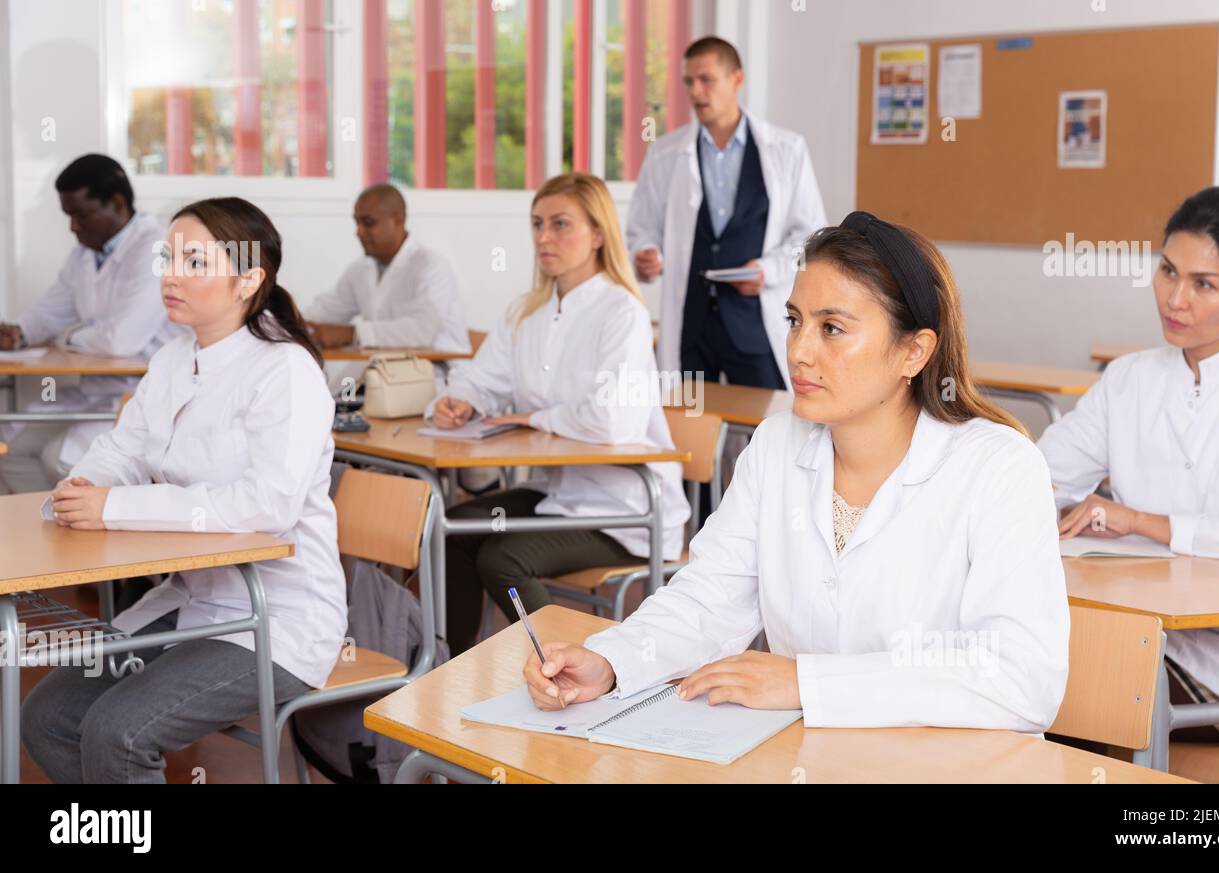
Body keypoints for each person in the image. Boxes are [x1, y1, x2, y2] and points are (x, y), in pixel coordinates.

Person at [522, 212, 1070, 732]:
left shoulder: (998, 466)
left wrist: (809, 684)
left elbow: (1024, 681)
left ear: (914, 352)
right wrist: (611, 662)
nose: (799, 351)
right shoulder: (777, 445)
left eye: (832, 328)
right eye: (794, 321)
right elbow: (709, 599)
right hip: (806, 757)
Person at [21, 197, 347, 783]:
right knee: (48, 715)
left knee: (117, 731)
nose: (171, 275)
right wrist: (84, 487)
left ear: (249, 279)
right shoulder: (174, 360)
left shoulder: (286, 372)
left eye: (194, 261)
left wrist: (115, 508)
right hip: (192, 600)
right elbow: (123, 449)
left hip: (278, 618)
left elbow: (266, 505)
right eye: (168, 257)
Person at [1038, 185, 1219, 743]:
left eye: (1203, 284)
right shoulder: (1132, 377)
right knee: (1042, 659)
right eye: (1167, 271)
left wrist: (1138, 521)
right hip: (1144, 625)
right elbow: (1043, 472)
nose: (1174, 299)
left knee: (1079, 680)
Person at [429, 173, 691, 657]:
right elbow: (485, 378)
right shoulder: (525, 312)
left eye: (560, 225)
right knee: (449, 531)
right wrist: (462, 399)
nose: (543, 238)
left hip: (625, 508)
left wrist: (538, 418)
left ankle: (568, 674)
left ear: (597, 234)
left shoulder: (622, 313)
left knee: (503, 557)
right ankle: (452, 671)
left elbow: (614, 421)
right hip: (560, 491)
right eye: (536, 225)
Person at [625, 36, 826, 390]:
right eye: (689, 81)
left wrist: (769, 270)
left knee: (770, 423)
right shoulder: (666, 153)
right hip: (691, 323)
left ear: (737, 79)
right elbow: (642, 227)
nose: (696, 92)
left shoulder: (786, 149)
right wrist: (646, 253)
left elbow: (811, 237)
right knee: (687, 421)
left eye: (707, 80)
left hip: (755, 323)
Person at [0, 154, 180, 493]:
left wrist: (67, 336)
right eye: (69, 216)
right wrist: (21, 332)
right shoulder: (84, 254)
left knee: (59, 458)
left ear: (116, 203)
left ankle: (78, 529)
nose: (73, 227)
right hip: (94, 390)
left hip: (140, 394)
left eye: (82, 215)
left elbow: (119, 341)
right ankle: (48, 532)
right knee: (11, 447)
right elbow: (52, 309)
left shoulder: (156, 250)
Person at [304, 183, 470, 355]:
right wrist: (286, 321)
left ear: (398, 220)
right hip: (387, 372)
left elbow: (423, 330)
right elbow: (324, 312)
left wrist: (352, 333)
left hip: (439, 372)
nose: (359, 232)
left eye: (368, 223)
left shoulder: (431, 267)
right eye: (357, 222)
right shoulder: (360, 269)